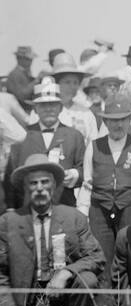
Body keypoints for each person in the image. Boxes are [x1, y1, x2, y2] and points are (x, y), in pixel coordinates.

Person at [0, 154, 106, 306]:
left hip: (63, 296)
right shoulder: (8, 222)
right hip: (26, 301)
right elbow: (1, 274)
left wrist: (66, 272)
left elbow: (96, 257)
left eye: (45, 182)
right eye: (33, 183)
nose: (40, 188)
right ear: (25, 188)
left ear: (54, 185)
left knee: (88, 279)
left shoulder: (74, 218)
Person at [5, 77, 87, 209]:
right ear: (35, 109)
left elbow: (87, 170)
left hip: (64, 207)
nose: (48, 109)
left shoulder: (75, 136)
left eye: (53, 104)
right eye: (43, 105)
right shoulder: (22, 138)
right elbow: (11, 180)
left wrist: (75, 174)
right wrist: (11, 208)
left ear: (60, 108)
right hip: (28, 211)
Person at [85, 94, 131, 262]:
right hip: (100, 208)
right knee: (102, 257)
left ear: (129, 120)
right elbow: (87, 182)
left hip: (129, 207)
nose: (119, 125)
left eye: (123, 119)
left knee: (130, 254)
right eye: (113, 120)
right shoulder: (94, 146)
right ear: (105, 122)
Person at [8, 45, 35, 112]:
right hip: (21, 111)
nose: (31, 62)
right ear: (19, 58)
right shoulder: (14, 74)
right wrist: (36, 81)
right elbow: (21, 95)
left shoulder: (26, 73)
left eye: (31, 59)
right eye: (27, 59)